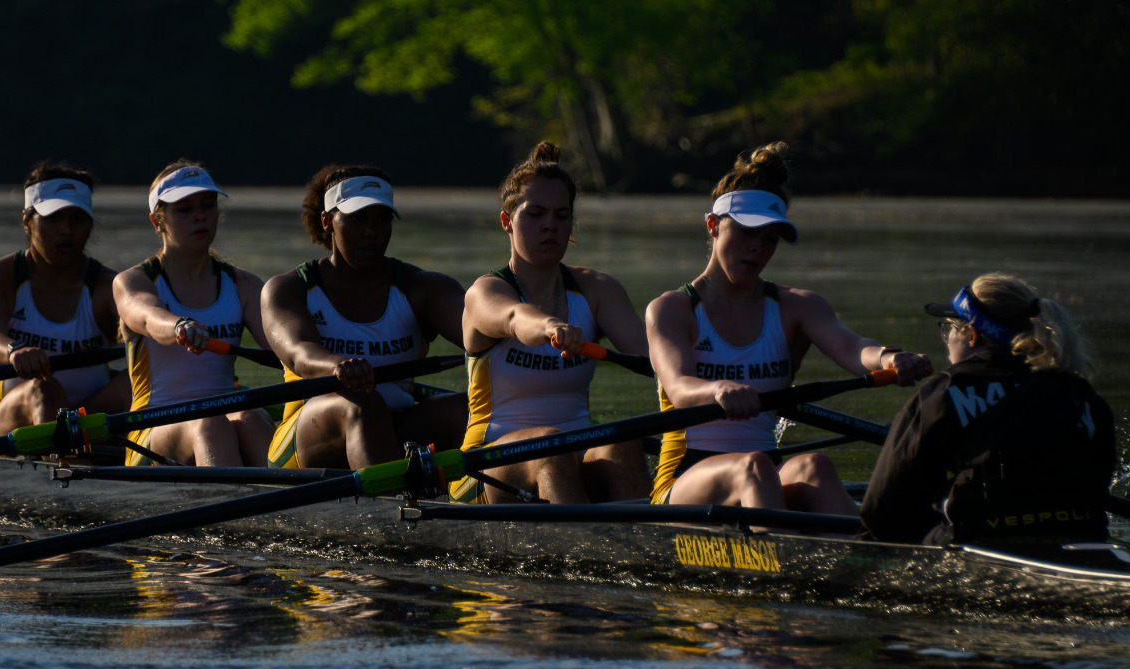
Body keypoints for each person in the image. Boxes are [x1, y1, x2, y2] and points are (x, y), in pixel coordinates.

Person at [646, 142, 928, 512]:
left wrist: (889, 357)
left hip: (763, 472)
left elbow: (853, 348)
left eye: (769, 239)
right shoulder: (672, 309)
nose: (758, 249)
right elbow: (680, 388)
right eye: (748, 234)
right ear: (713, 226)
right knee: (753, 467)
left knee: (815, 466)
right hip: (684, 480)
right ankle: (781, 563)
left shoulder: (797, 307)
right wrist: (719, 388)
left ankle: (869, 561)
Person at [453, 141, 648, 503]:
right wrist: (550, 327)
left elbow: (650, 356)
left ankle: (646, 547)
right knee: (550, 446)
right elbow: (514, 318)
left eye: (561, 216)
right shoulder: (486, 291)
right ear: (507, 222)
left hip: (574, 453)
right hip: (483, 465)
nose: (550, 226)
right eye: (536, 214)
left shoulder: (596, 290)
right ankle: (582, 549)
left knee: (623, 440)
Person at [860, 274, 1115, 550]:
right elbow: (1100, 479)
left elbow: (881, 512)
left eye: (948, 328)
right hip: (1086, 538)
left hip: (979, 543)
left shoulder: (945, 391)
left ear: (973, 334)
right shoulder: (1082, 394)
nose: (945, 339)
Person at [262, 165, 465, 470]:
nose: (371, 231)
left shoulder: (424, 288)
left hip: (396, 423)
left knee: (465, 409)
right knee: (363, 404)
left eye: (382, 219)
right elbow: (299, 353)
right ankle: (388, 506)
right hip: (305, 436)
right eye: (357, 218)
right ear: (327, 221)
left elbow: (479, 333)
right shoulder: (289, 288)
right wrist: (337, 366)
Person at [112, 162, 272, 466]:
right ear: (157, 222)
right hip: (152, 428)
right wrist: (178, 326)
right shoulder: (134, 281)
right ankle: (233, 507)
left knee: (251, 418)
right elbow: (147, 316)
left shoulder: (243, 284)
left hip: (224, 410)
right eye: (184, 209)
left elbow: (282, 346)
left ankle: (289, 509)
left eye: (207, 206)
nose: (200, 215)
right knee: (210, 423)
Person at [0, 162, 128, 438]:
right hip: (11, 421)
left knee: (138, 383)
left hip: (87, 416)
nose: (66, 230)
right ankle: (71, 465)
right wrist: (14, 350)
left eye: (76, 219)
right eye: (53, 218)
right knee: (44, 388)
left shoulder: (107, 286)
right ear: (26, 220)